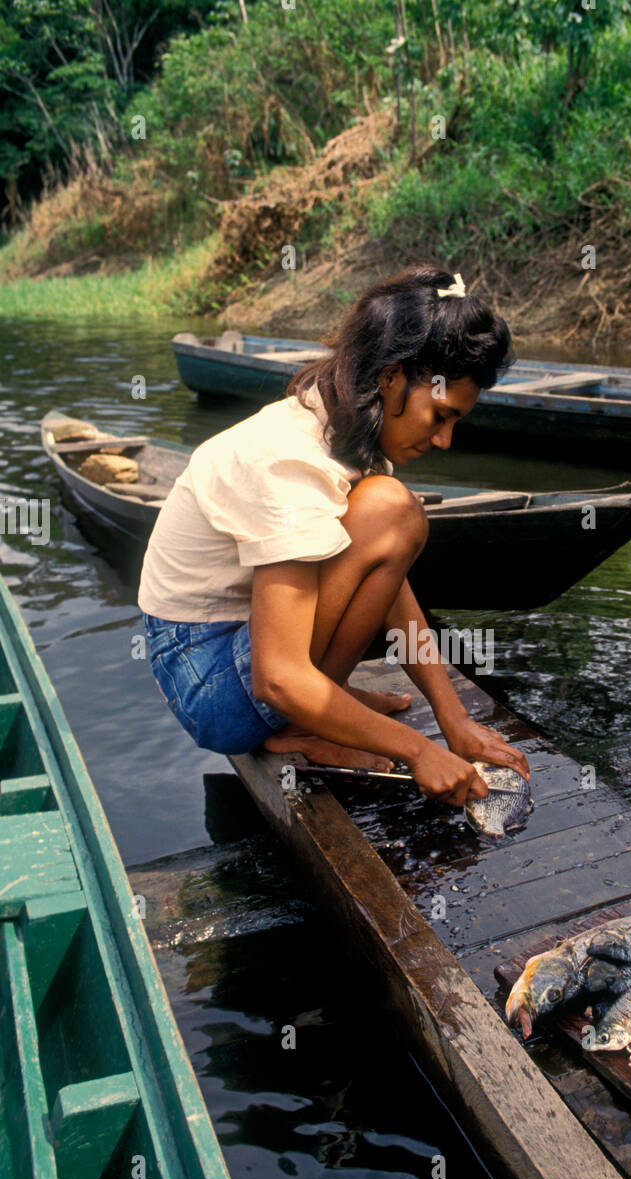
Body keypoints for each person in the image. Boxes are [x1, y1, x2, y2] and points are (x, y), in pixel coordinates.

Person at [138, 265, 530, 807]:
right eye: (440, 415)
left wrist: (453, 717)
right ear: (391, 377)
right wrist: (420, 750)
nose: (444, 439)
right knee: (392, 510)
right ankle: (312, 718)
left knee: (391, 517)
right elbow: (275, 679)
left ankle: (323, 699)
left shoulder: (350, 428)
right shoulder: (289, 461)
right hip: (207, 682)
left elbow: (389, 583)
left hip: (231, 648)